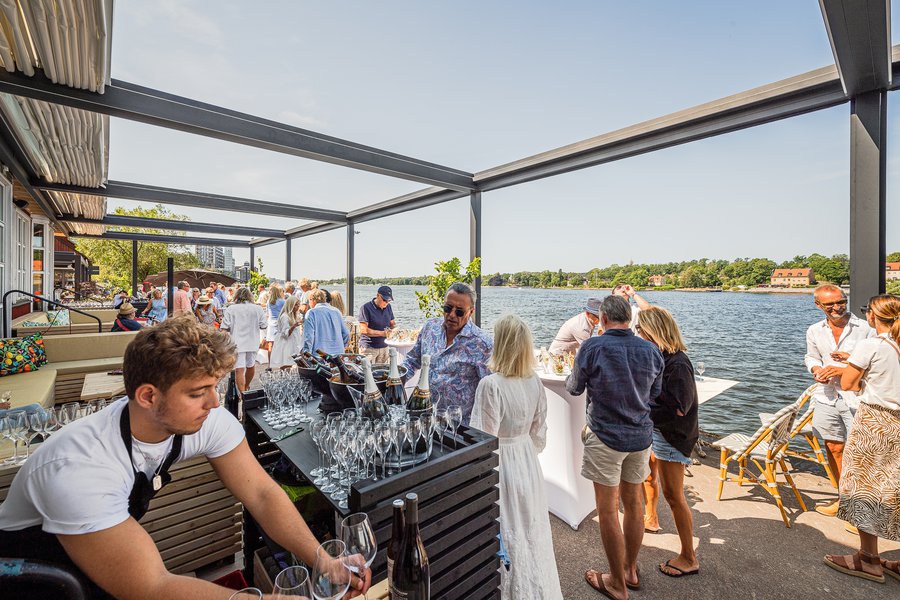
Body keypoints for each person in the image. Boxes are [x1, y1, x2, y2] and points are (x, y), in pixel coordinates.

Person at [0, 317, 371, 599]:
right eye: (198, 392)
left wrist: (322, 560)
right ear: (148, 396)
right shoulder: (80, 468)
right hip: (32, 573)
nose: (214, 403)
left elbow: (260, 492)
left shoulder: (205, 419)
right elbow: (150, 585)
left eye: (215, 387)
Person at [566, 294, 664, 600]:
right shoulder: (651, 350)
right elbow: (655, 393)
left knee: (607, 510)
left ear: (603, 320)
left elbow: (573, 387)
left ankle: (617, 585)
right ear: (629, 319)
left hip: (605, 435)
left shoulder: (593, 347)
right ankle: (630, 570)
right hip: (639, 437)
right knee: (634, 505)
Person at [471, 315, 563, 600]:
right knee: (530, 528)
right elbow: (540, 432)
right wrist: (525, 450)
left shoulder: (491, 385)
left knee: (506, 527)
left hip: (502, 461)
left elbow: (481, 439)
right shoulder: (534, 381)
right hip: (526, 458)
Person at [824, 294, 900, 583]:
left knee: (864, 487)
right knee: (896, 490)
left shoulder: (871, 345)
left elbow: (848, 383)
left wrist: (857, 368)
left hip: (877, 422)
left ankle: (868, 559)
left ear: (872, 316)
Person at [636, 307, 700, 577]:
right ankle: (650, 518)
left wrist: (639, 408)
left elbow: (679, 408)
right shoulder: (660, 357)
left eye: (640, 331)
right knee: (649, 478)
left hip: (673, 436)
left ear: (654, 331)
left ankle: (689, 556)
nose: (638, 335)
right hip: (658, 431)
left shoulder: (678, 363)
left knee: (674, 495)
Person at [804, 284, 875, 517]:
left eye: (841, 301)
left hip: (858, 398)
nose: (837, 307)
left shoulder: (865, 328)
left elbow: (877, 364)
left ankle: (863, 508)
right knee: (833, 447)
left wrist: (842, 369)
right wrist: (816, 370)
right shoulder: (815, 330)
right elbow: (812, 356)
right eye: (830, 304)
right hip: (827, 397)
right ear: (818, 305)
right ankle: (842, 499)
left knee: (862, 453)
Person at [402, 282, 492, 425]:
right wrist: (395, 382)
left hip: (458, 425)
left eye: (459, 312)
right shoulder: (430, 328)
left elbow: (489, 389)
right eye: (447, 308)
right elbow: (412, 360)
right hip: (422, 415)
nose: (451, 315)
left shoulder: (482, 344)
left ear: (471, 312)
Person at [220, 287, 268, 393]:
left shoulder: (231, 309)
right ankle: (246, 387)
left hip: (237, 343)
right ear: (250, 296)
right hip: (252, 341)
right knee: (251, 366)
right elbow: (264, 325)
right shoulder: (257, 308)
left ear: (236, 296)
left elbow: (223, 328)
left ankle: (242, 393)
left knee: (239, 369)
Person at [302, 289, 350, 356]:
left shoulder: (311, 313)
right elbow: (346, 334)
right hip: (338, 355)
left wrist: (307, 354)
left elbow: (309, 337)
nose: (309, 304)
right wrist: (341, 347)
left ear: (312, 299)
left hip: (319, 355)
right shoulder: (336, 311)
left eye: (309, 301)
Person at [357, 285, 396, 364]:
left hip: (385, 347)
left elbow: (392, 323)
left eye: (389, 300)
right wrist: (383, 333)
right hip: (369, 349)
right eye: (384, 300)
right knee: (367, 374)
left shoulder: (388, 307)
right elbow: (363, 330)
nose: (387, 303)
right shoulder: (366, 308)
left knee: (383, 374)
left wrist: (394, 331)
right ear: (378, 295)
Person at [271, 296, 303, 370]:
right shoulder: (285, 316)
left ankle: (287, 378)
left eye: (298, 304)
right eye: (296, 305)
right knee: (286, 364)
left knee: (290, 363)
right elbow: (285, 334)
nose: (298, 307)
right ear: (290, 305)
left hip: (291, 342)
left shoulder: (293, 316)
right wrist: (294, 326)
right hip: (285, 343)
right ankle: (285, 379)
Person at [265, 284, 286, 364]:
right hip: (279, 323)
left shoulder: (269, 302)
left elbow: (267, 314)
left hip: (271, 324)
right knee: (281, 345)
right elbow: (285, 312)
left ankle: (270, 365)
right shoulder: (282, 301)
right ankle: (281, 363)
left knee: (270, 345)